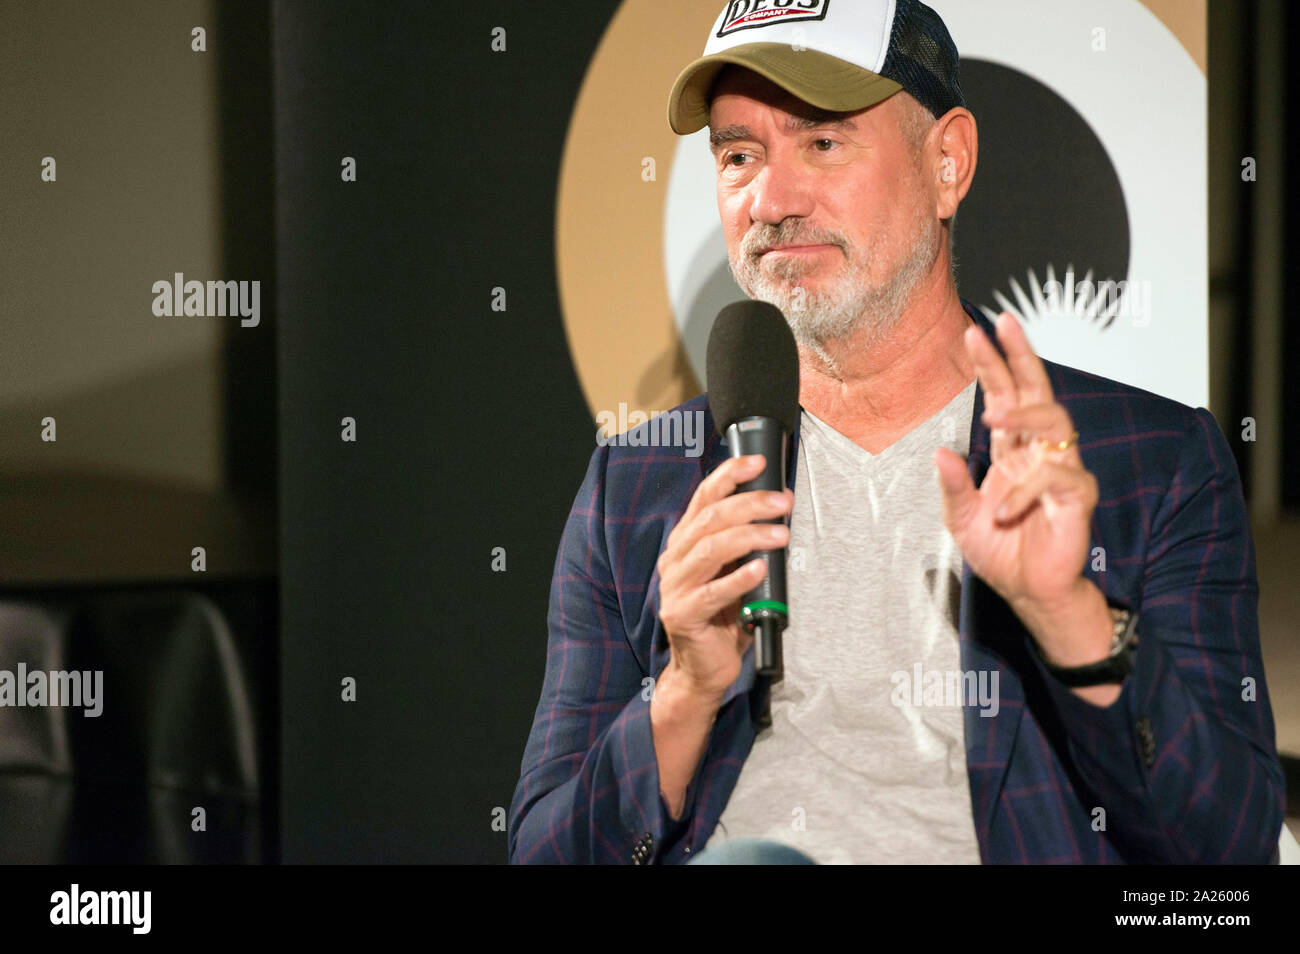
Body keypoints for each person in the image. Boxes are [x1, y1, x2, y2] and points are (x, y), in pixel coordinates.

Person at [508, 0, 1285, 864]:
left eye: (823, 143)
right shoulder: (640, 482)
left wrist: (1073, 620)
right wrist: (685, 692)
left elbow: (1231, 850)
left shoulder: (1148, 463)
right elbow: (544, 854)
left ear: (948, 162)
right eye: (739, 155)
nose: (770, 198)